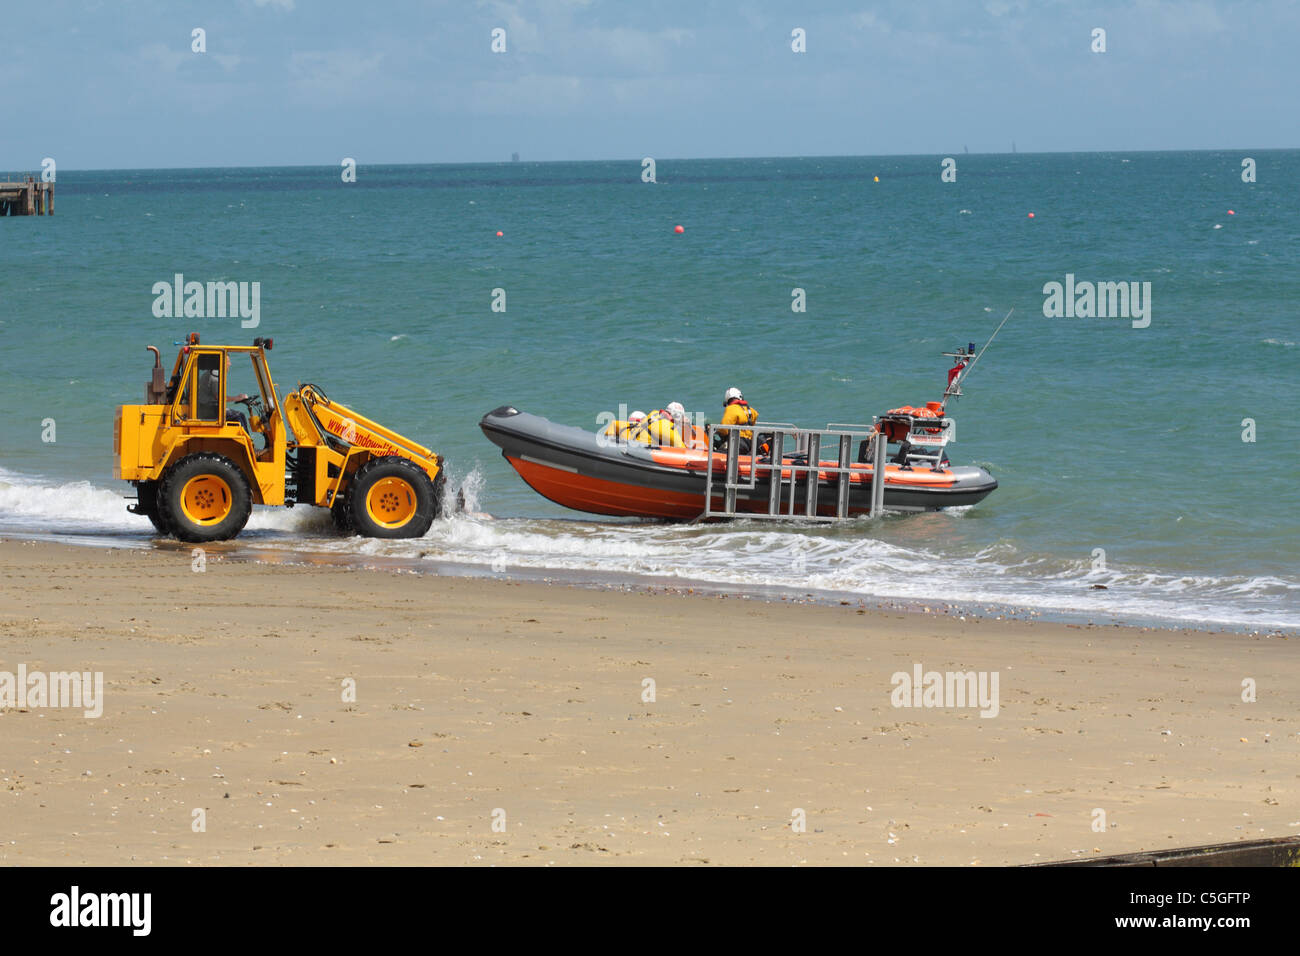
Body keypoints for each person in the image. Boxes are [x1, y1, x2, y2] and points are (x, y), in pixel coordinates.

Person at [201, 354, 253, 435]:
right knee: (239, 416)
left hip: (207, 407)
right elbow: (219, 397)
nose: (230, 364)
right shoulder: (215, 375)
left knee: (237, 415)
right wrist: (237, 398)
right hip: (209, 410)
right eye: (228, 361)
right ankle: (249, 443)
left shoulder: (212, 373)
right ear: (221, 362)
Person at [716, 387, 758, 453]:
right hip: (750, 443)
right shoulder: (752, 411)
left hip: (737, 442)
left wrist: (717, 431)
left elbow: (724, 429)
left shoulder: (731, 409)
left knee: (718, 452)